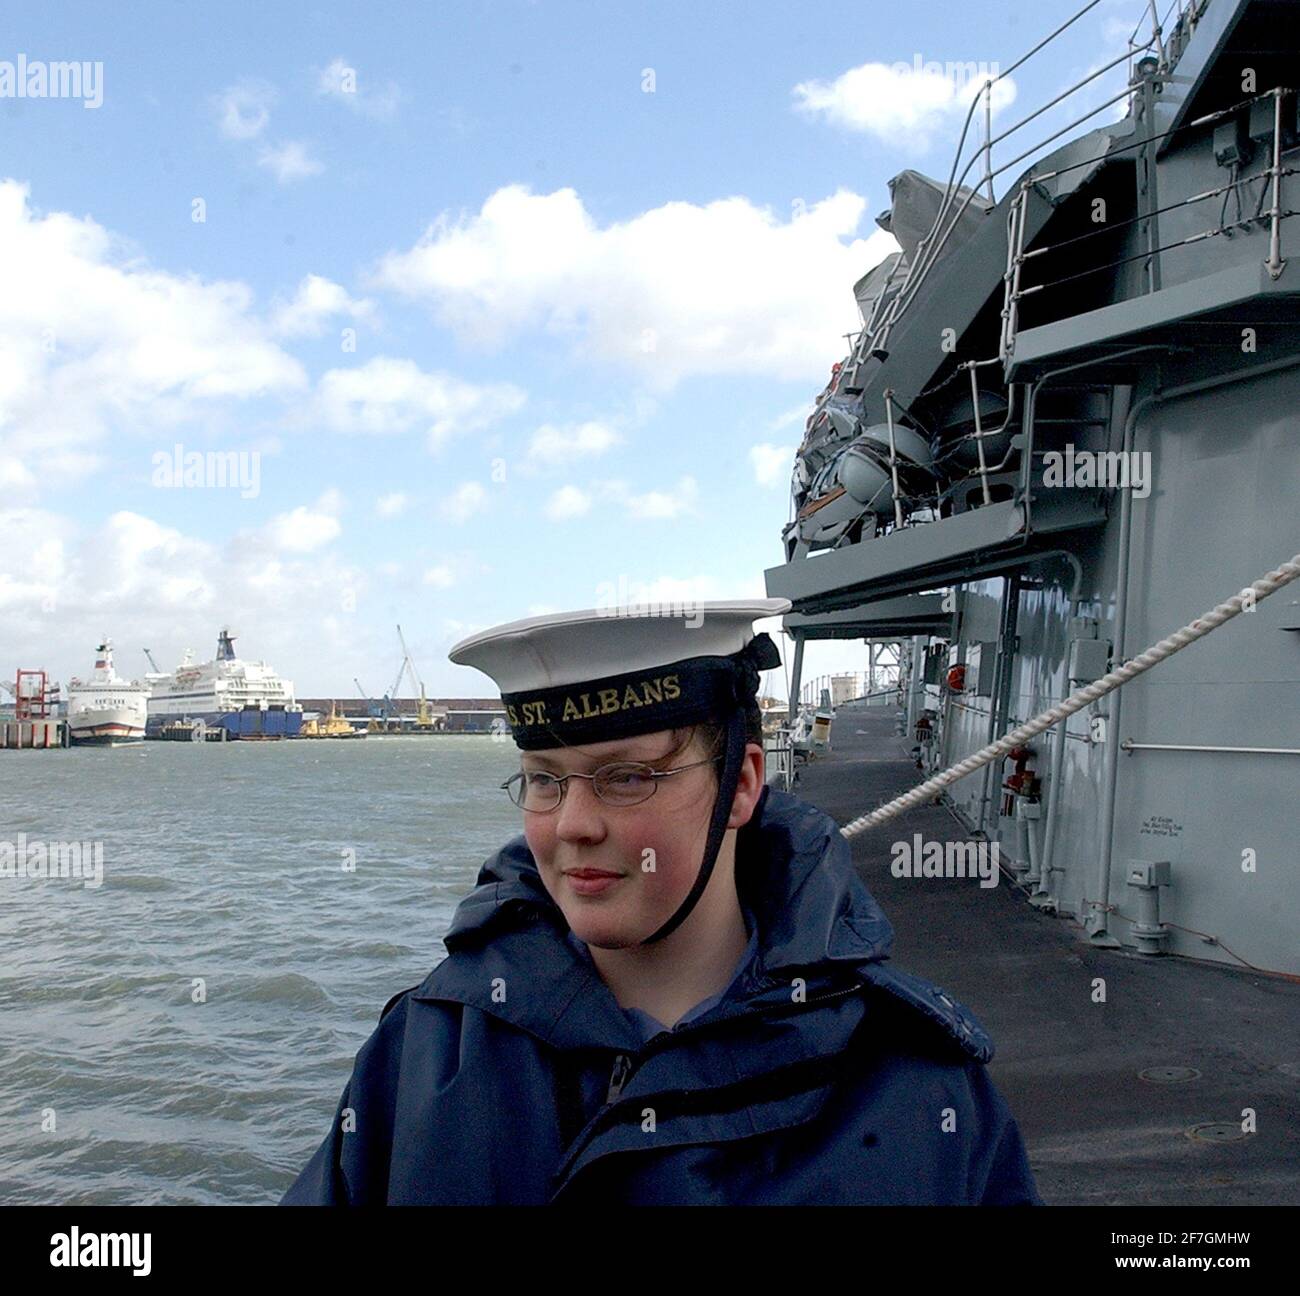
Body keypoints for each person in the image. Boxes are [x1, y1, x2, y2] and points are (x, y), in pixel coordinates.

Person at [280, 599, 1041, 1205]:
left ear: (741, 786)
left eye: (626, 778)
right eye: (544, 779)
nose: (572, 825)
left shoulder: (915, 1083)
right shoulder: (420, 1054)